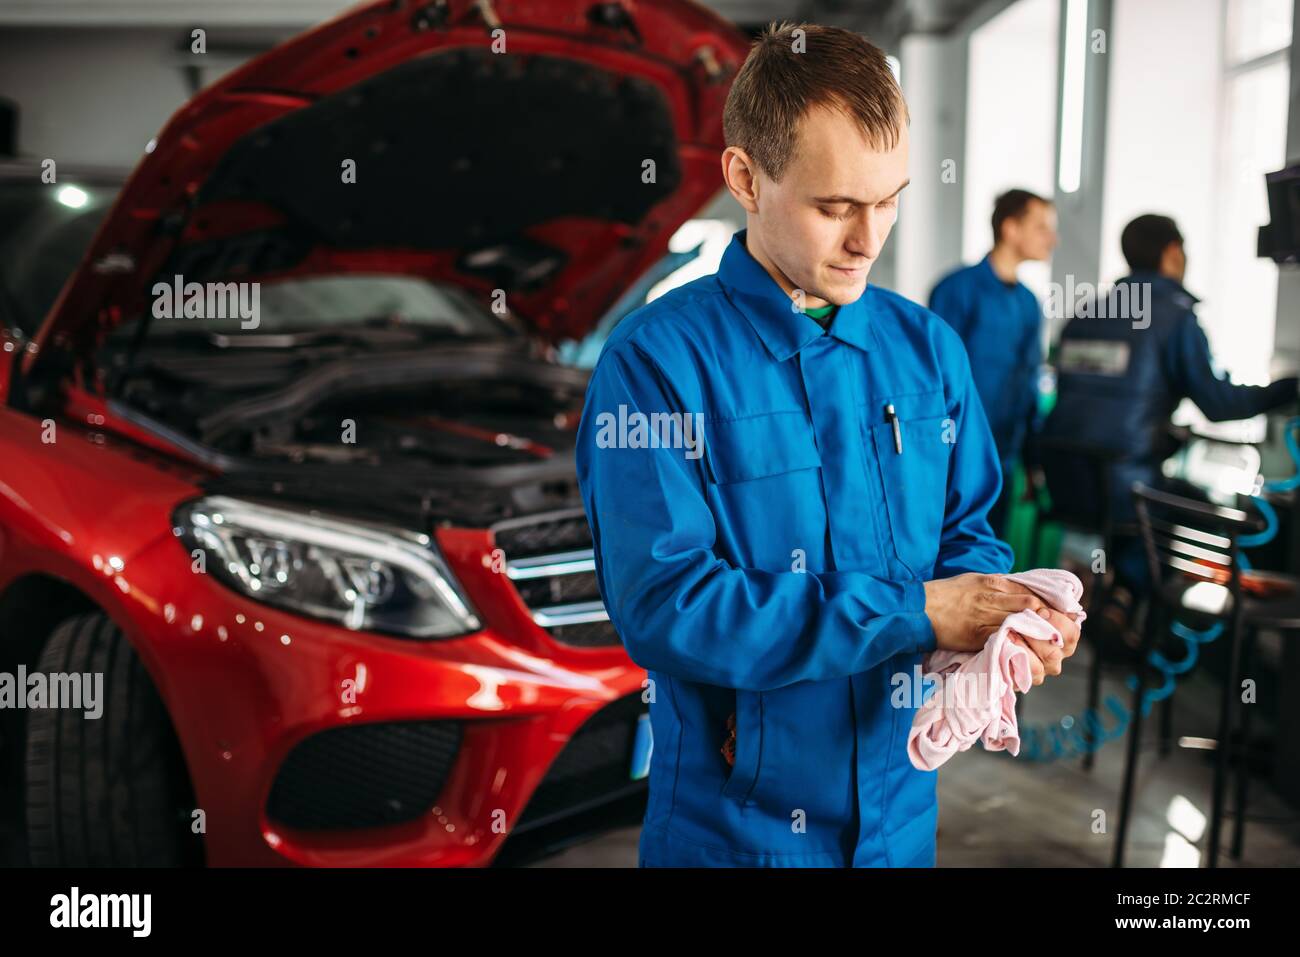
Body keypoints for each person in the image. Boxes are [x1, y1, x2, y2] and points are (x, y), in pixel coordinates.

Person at [575, 22, 1080, 868]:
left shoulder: (928, 351)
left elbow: (969, 534)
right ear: (744, 176)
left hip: (901, 820)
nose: (868, 238)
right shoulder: (657, 365)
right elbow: (666, 602)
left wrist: (1003, 617)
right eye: (834, 205)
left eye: (889, 200)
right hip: (733, 836)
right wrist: (916, 613)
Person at [1040, 213, 1298, 595]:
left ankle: (1122, 601)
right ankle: (1152, 614)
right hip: (1127, 489)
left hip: (1065, 482)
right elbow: (1220, 404)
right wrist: (1288, 389)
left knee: (1155, 501)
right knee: (1235, 515)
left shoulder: (1087, 313)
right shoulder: (1175, 317)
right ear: (1172, 252)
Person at [928, 190, 1057, 535]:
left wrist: (1033, 462)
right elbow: (934, 379)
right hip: (953, 457)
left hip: (1004, 458)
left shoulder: (1029, 304)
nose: (1052, 239)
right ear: (1011, 228)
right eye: (1042, 227)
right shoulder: (956, 290)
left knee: (988, 561)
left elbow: (1028, 387)